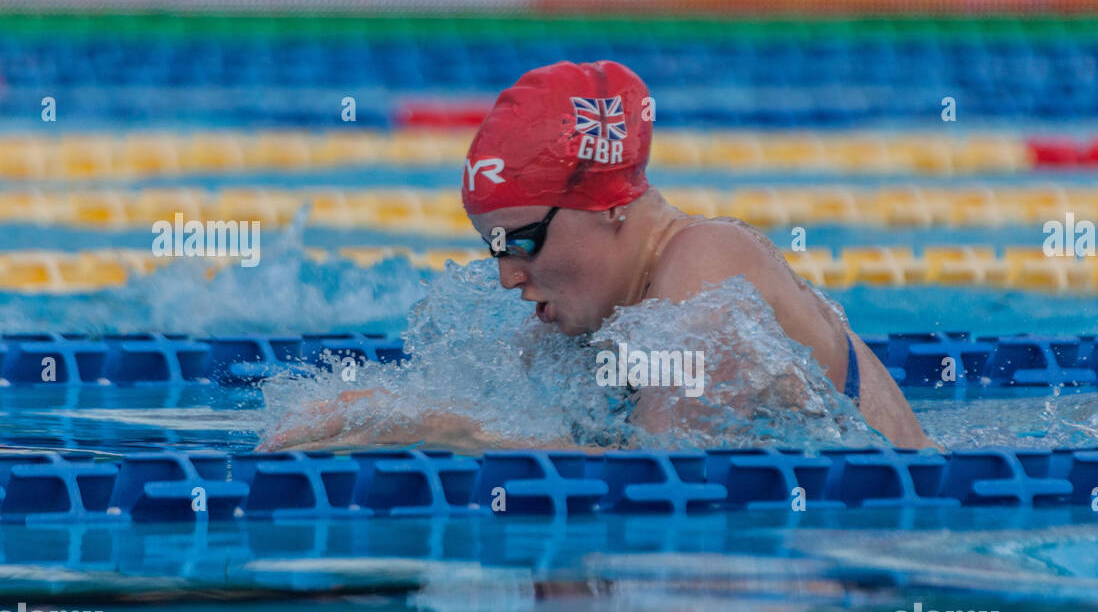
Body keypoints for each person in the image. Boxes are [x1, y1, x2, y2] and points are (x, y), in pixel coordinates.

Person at [260, 60, 933, 452]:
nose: (506, 275)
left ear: (609, 204)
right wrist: (366, 405)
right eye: (492, 247)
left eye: (521, 241)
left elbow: (654, 476)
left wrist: (422, 426)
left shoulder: (707, 265)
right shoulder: (600, 315)